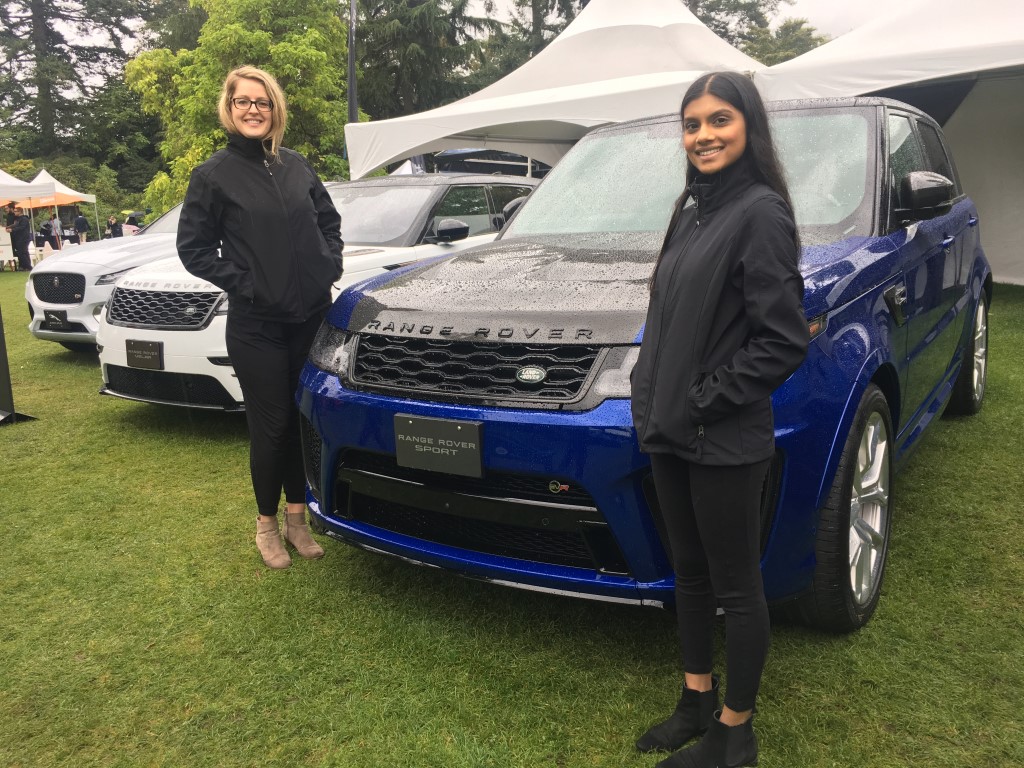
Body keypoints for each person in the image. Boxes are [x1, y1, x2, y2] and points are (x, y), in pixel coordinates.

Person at [630, 71, 809, 768]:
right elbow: (667, 316)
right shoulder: (691, 208)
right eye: (692, 123)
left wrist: (704, 399)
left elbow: (782, 339)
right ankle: (695, 700)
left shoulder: (761, 212)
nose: (703, 134)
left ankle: (735, 730)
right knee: (690, 573)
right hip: (671, 430)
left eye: (718, 120)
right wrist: (652, 396)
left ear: (748, 127)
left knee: (736, 584)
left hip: (724, 437)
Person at [177, 65, 344, 570]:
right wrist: (249, 284)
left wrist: (326, 265)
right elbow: (194, 248)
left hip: (309, 319)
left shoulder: (296, 166)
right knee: (270, 429)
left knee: (300, 421)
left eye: (263, 102)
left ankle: (298, 521)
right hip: (257, 326)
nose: (254, 110)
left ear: (275, 111)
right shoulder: (213, 175)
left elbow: (329, 222)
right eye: (244, 102)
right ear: (229, 110)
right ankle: (266, 525)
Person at [5, 206, 33, 270]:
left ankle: (28, 267)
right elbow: (15, 225)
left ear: (19, 212)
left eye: (15, 211)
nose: (14, 212)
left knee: (21, 252)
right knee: (24, 252)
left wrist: (12, 230)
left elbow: (21, 227)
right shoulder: (18, 219)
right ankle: (25, 266)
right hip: (19, 238)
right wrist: (7, 227)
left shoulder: (24, 219)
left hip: (24, 238)